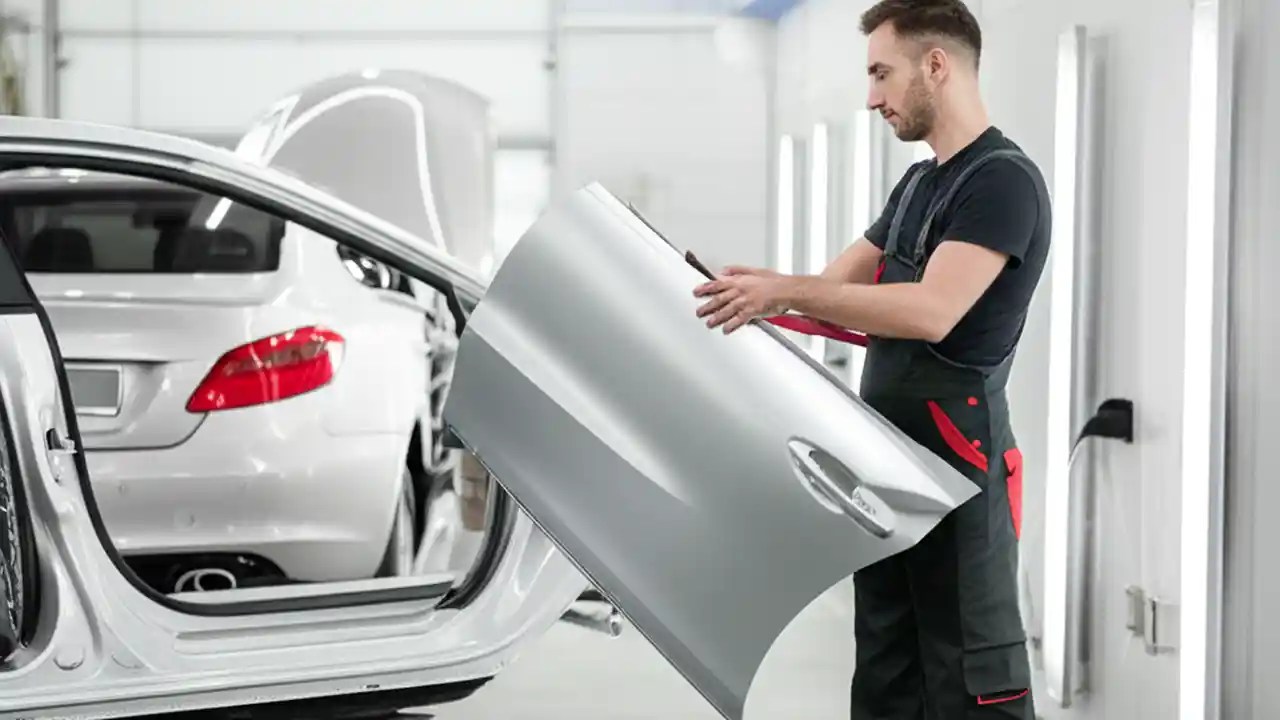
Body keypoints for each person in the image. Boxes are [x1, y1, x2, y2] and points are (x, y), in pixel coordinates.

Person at [693, 1, 1051, 717]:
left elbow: (931, 310)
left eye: (882, 73)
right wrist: (758, 292)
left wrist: (785, 293)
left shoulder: (1001, 181)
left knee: (967, 673)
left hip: (958, 469)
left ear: (937, 65)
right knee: (889, 669)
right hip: (888, 466)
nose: (872, 96)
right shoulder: (921, 184)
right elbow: (831, 292)